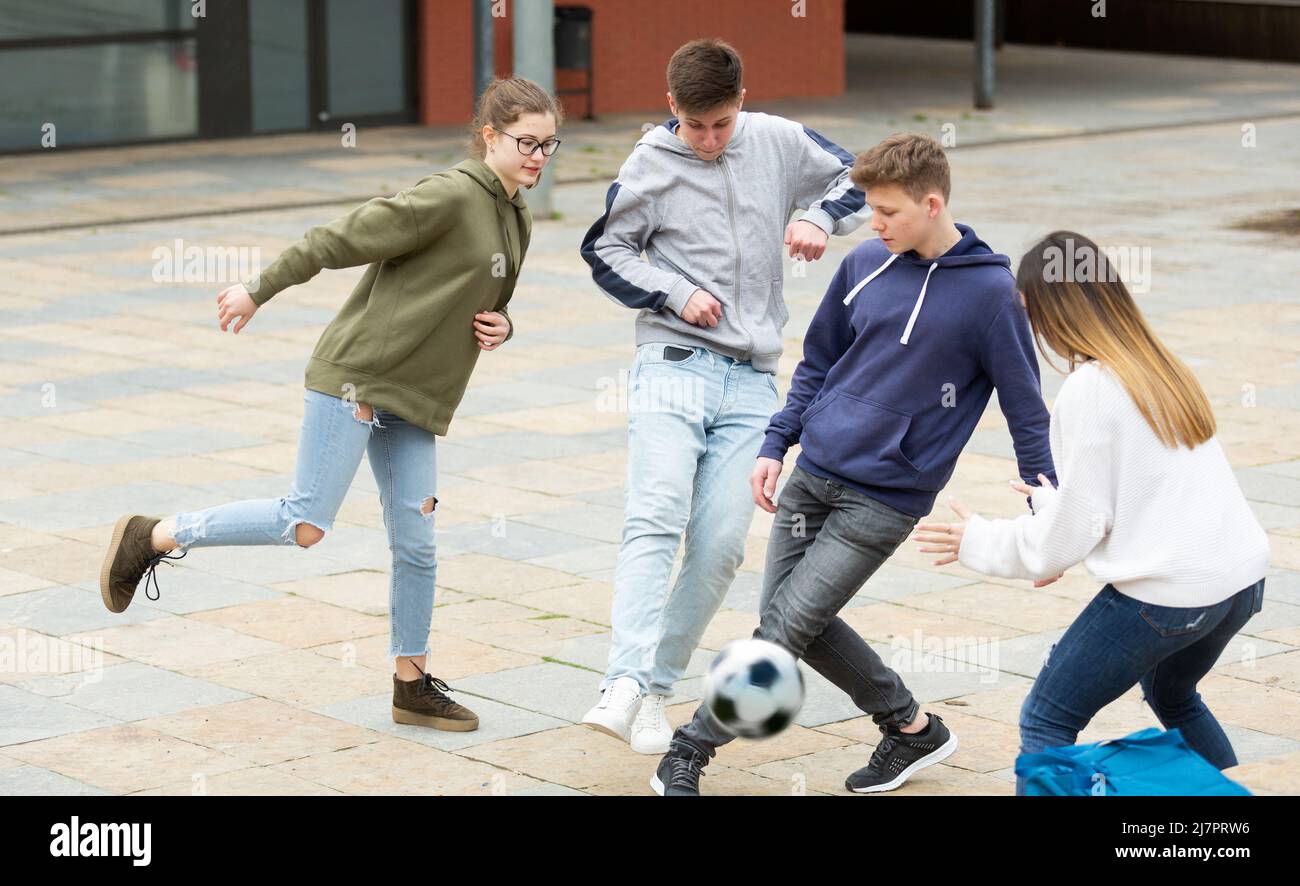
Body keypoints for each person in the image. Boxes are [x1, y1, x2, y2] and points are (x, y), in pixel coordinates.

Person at [98, 78, 563, 733]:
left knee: (418, 544)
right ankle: (152, 534)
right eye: (526, 142)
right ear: (490, 137)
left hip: (414, 398)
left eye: (549, 144)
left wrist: (503, 325)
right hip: (358, 378)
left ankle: (411, 685)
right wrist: (258, 288)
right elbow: (338, 238)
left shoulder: (516, 216)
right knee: (305, 523)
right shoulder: (450, 195)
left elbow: (486, 296)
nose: (539, 155)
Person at [652, 132, 1058, 795]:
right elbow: (818, 361)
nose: (875, 223)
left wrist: (1051, 514)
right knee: (801, 626)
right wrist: (775, 443)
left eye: (889, 211)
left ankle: (689, 750)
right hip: (813, 475)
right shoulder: (866, 262)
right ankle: (910, 728)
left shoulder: (990, 295)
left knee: (782, 628)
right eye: (871, 208)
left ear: (932, 203)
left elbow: (1026, 407)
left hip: (885, 498)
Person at [579, 38, 873, 754]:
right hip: (672, 362)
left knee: (717, 550)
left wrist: (819, 217)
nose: (708, 141)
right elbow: (604, 251)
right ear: (671, 103)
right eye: (694, 125)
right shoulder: (649, 162)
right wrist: (678, 292)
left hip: (752, 382)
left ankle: (652, 687)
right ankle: (623, 681)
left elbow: (861, 178)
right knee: (655, 516)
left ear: (741, 100)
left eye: (721, 124)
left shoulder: (776, 139)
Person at [915, 230, 1271, 795]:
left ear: (1056, 309)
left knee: (1047, 718)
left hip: (1170, 594)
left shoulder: (1090, 387)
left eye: (1032, 311)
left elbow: (1073, 534)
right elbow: (1139, 493)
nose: (1033, 328)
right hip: (1239, 582)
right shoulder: (1158, 365)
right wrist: (1052, 509)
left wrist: (980, 540)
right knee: (1173, 694)